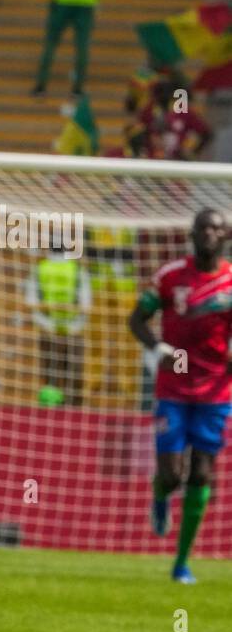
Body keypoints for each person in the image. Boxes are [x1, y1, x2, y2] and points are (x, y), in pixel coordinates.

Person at [128, 209, 231, 584]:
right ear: (192, 234)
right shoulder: (171, 277)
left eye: (217, 228)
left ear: (226, 237)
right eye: (203, 227)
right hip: (175, 384)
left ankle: (181, 563)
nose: (209, 233)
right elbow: (136, 319)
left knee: (202, 474)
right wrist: (158, 348)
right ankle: (160, 495)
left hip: (217, 390)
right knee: (173, 475)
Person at [24, 247, 91, 406]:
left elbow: (31, 301)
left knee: (49, 373)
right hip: (74, 330)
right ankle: (74, 412)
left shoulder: (41, 268)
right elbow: (86, 304)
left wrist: (47, 324)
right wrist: (74, 326)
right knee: (74, 376)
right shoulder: (77, 269)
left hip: (48, 329)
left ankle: (50, 410)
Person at [126, 79, 213, 161]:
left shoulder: (184, 112)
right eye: (160, 94)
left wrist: (192, 152)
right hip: (153, 162)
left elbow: (206, 133)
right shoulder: (148, 111)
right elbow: (135, 135)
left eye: (167, 94)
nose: (163, 97)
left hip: (176, 162)